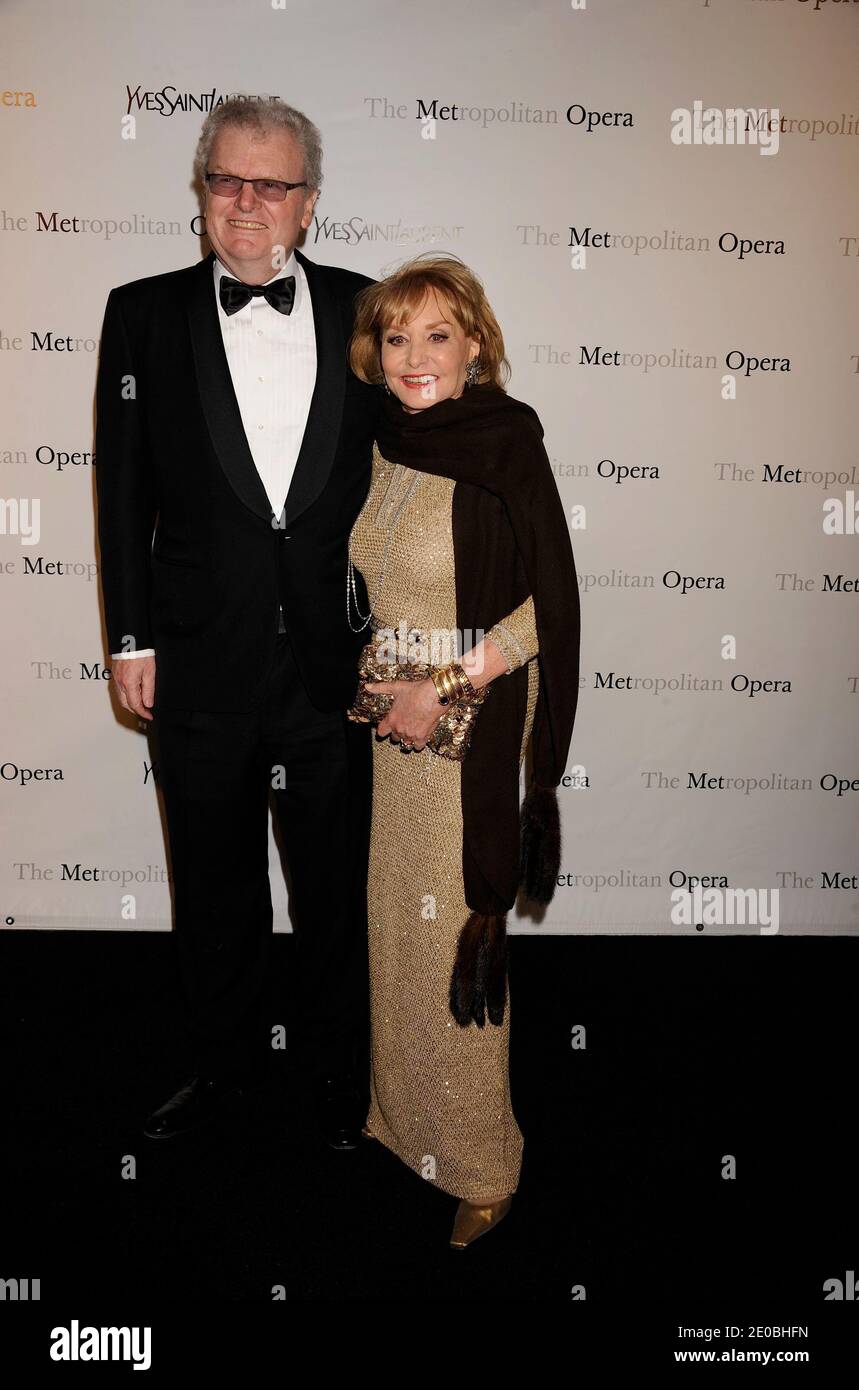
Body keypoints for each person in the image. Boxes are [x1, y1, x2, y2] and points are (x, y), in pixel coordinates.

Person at [94, 96, 379, 1148]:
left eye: (272, 184)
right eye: (227, 179)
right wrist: (131, 637)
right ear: (201, 191)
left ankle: (347, 1087)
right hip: (198, 666)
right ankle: (223, 1081)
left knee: (335, 898)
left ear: (309, 203)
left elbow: (408, 490)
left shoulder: (368, 309)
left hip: (332, 667)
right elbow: (121, 492)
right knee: (212, 893)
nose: (247, 201)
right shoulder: (142, 314)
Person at [347, 254, 580, 1247]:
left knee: (454, 947)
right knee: (395, 933)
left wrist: (432, 689)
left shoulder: (504, 440)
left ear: (476, 343)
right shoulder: (387, 440)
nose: (412, 356)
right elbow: (377, 587)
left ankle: (483, 1163)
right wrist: (373, 682)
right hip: (394, 727)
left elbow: (544, 610)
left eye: (435, 334)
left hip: (466, 724)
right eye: (395, 336)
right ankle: (403, 1124)